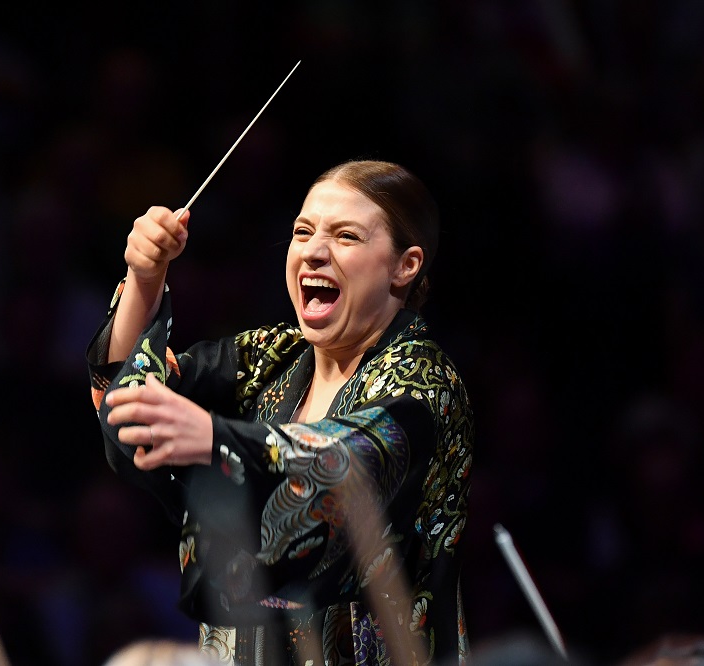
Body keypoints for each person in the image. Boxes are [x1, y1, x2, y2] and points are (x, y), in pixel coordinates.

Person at [86, 159, 474, 665]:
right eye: (303, 231)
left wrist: (213, 439)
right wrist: (142, 279)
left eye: (347, 236)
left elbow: (351, 467)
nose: (313, 251)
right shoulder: (271, 359)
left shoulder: (424, 383)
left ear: (406, 265)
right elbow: (124, 403)